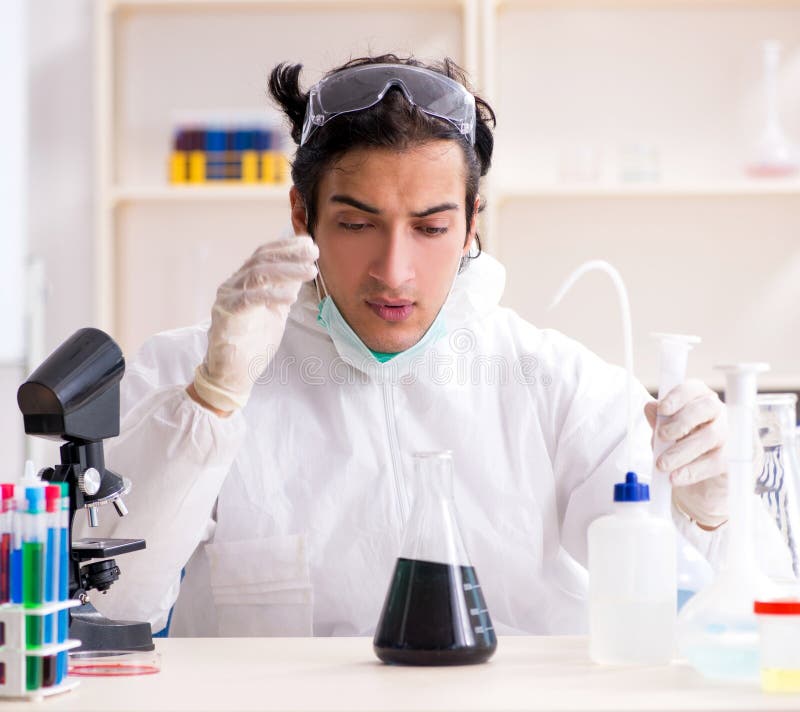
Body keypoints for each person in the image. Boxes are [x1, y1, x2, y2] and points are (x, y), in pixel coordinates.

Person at [88, 55, 750, 638]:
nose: (394, 271)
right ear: (301, 215)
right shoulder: (187, 374)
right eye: (355, 223)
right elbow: (108, 611)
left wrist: (710, 514)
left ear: (470, 225)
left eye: (432, 227)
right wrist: (212, 401)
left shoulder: (559, 385)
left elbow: (689, 607)